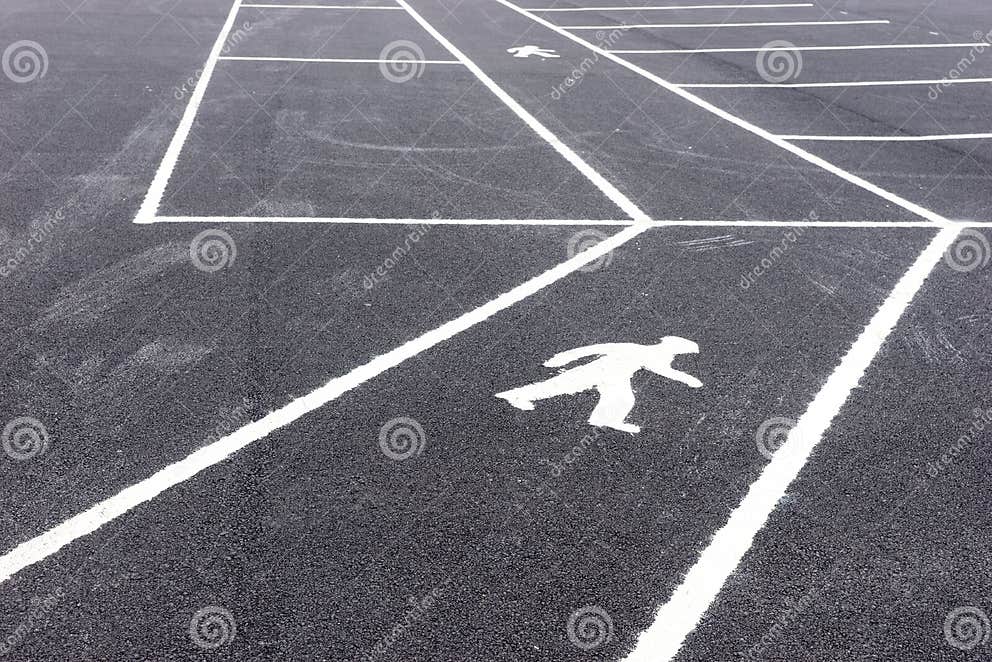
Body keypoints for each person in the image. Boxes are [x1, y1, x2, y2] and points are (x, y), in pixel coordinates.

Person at [496, 337, 702, 433]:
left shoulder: (655, 354)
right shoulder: (648, 353)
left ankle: (603, 419)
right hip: (600, 370)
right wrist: (688, 379)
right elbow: (596, 348)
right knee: (561, 385)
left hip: (616, 377)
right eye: (680, 351)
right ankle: (514, 395)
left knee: (623, 399)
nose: (678, 355)